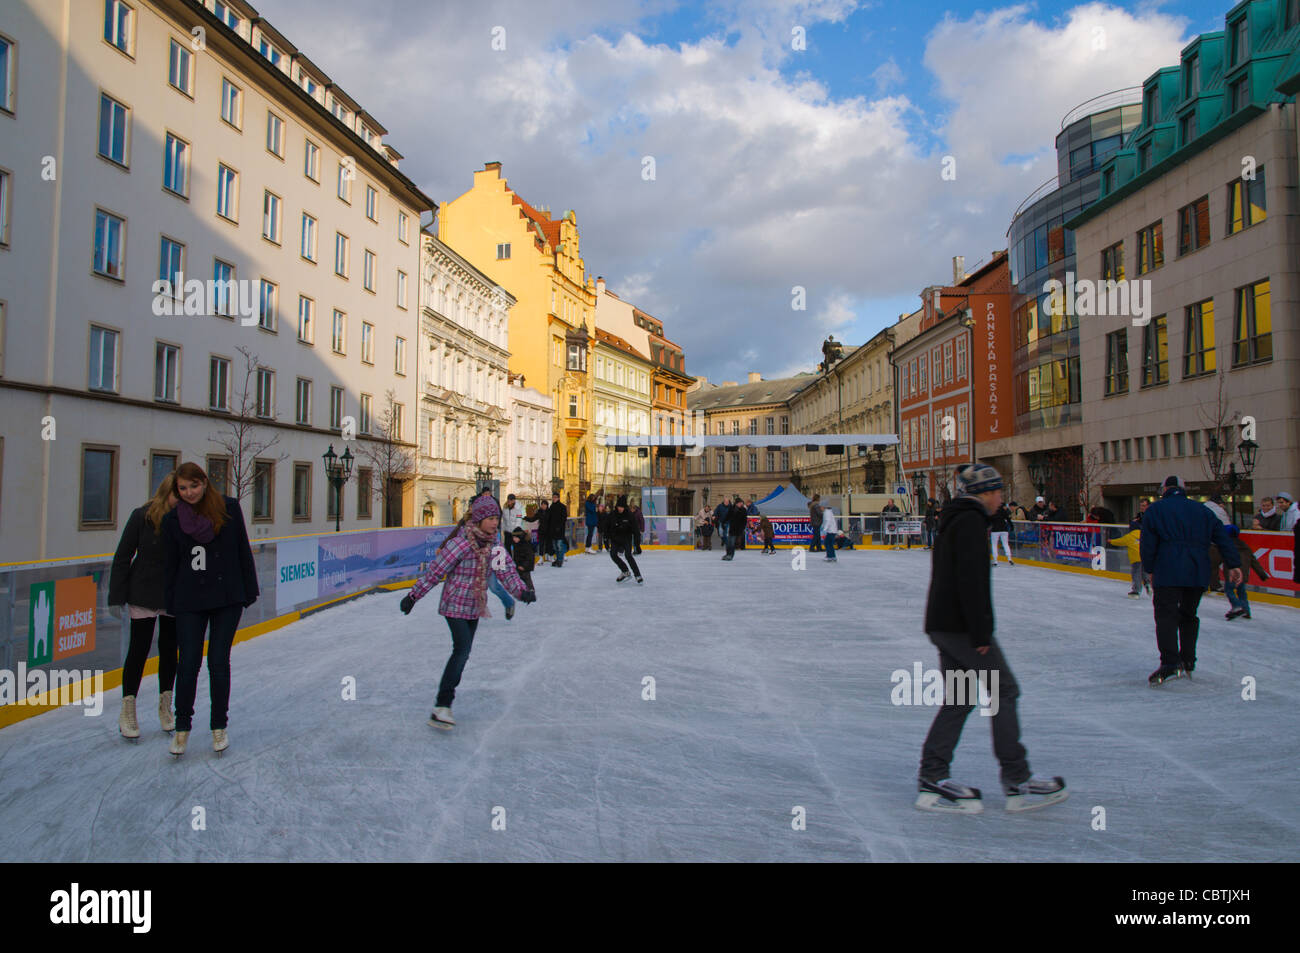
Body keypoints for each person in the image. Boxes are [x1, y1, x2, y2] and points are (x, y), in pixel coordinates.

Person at [916, 462, 1066, 814]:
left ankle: (932, 777)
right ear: (985, 493)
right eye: (998, 492)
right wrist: (981, 631)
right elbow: (971, 581)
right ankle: (1017, 780)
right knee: (1005, 691)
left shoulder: (957, 518)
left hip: (946, 625)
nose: (1002, 499)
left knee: (962, 698)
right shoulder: (969, 521)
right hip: (962, 628)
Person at [400, 494, 535, 728]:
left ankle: (443, 704)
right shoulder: (460, 544)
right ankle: (442, 706)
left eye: (497, 518)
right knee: (461, 651)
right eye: (491, 518)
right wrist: (413, 596)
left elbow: (506, 571)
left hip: (474, 606)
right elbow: (435, 572)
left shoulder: (494, 545)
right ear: (480, 518)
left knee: (463, 653)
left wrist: (521, 592)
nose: (495, 523)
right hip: (454, 604)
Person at [161, 462, 259, 757]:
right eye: (183, 488)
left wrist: (248, 590)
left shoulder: (228, 509)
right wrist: (170, 602)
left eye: (194, 486)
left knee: (218, 661)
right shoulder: (172, 521)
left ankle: (219, 726)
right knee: (188, 662)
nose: (189, 492)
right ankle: (182, 728)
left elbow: (242, 548)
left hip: (226, 598)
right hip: (190, 600)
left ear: (204, 483)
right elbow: (170, 566)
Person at [1140, 475, 1242, 685]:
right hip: (1197, 570)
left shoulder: (1156, 510)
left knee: (1166, 615)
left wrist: (1149, 568)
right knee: (1189, 615)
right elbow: (1223, 537)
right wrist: (1234, 564)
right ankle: (1188, 660)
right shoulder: (1203, 511)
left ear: (1165, 488)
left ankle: (1170, 662)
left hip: (1168, 568)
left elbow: (1147, 543)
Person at [108, 473, 181, 740]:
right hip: (142, 592)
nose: (181, 499)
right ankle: (128, 708)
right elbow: (123, 556)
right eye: (177, 494)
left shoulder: (186, 519)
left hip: (172, 594)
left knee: (169, 649)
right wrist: (116, 596)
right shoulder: (142, 516)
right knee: (138, 649)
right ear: (165, 493)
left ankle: (165, 704)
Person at [1223, 525, 1268, 620]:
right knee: (1241, 592)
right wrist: (1262, 574)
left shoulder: (1226, 546)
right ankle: (1246, 611)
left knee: (1229, 590)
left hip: (1231, 574)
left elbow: (1216, 559)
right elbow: (1254, 561)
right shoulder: (1245, 546)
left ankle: (1237, 606)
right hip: (1243, 575)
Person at [606, 495, 643, 583]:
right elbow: (606, 527)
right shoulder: (613, 515)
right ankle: (625, 571)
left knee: (628, 555)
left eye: (622, 507)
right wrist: (606, 540)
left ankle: (638, 575)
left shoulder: (629, 515)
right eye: (619, 506)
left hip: (626, 538)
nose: (620, 509)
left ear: (625, 507)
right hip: (615, 539)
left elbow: (636, 531)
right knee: (613, 554)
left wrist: (637, 545)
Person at [1108, 523, 1148, 598]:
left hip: (1136, 559)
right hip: (1145, 557)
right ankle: (1147, 584)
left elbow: (1120, 541)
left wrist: (1111, 541)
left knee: (1136, 574)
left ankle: (1136, 591)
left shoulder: (1129, 537)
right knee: (1144, 572)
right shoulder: (1144, 535)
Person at [546, 492, 569, 566]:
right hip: (552, 531)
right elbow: (549, 518)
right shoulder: (551, 507)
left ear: (558, 498)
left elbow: (564, 518)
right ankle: (557, 559)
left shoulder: (562, 507)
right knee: (555, 547)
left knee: (559, 546)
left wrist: (559, 526)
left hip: (560, 530)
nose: (554, 498)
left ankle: (560, 560)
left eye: (555, 497)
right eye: (553, 497)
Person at [510, 527, 536, 594]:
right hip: (519, 565)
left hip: (525, 566)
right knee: (519, 578)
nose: (514, 539)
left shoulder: (525, 545)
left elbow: (530, 557)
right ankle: (522, 590)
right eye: (513, 537)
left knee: (526, 578)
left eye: (515, 537)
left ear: (520, 537)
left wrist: (524, 566)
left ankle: (531, 590)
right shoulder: (516, 544)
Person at [989, 500, 1014, 566]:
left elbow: (989, 520)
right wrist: (1011, 527)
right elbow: (1008, 519)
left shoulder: (993, 511)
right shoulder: (1004, 511)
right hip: (1004, 529)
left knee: (994, 545)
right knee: (1005, 544)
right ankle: (1009, 559)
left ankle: (995, 561)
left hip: (995, 530)